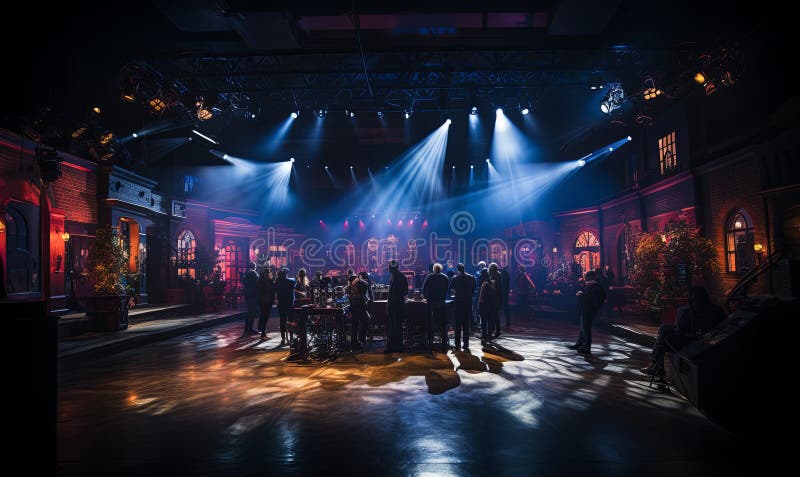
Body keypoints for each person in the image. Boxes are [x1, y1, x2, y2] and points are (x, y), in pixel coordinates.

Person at [640, 286, 726, 377]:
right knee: (664, 329)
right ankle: (655, 366)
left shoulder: (687, 311)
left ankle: (655, 365)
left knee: (665, 334)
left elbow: (679, 330)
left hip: (695, 340)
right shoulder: (717, 309)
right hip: (710, 338)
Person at [568, 270, 606, 355]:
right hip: (586, 309)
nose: (584, 278)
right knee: (583, 327)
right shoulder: (589, 285)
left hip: (588, 309)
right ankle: (579, 344)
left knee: (585, 328)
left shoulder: (594, 286)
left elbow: (591, 298)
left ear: (590, 277)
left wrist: (581, 295)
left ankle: (586, 347)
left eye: (586, 276)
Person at [422, 262, 450, 352]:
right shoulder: (445, 277)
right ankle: (444, 343)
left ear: (434, 269)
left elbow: (424, 287)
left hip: (431, 303)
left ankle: (430, 343)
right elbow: (447, 289)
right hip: (441, 302)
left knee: (431, 322)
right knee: (442, 323)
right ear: (441, 269)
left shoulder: (430, 276)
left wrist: (425, 297)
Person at [449, 263, 476, 351]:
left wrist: (455, 294)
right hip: (468, 302)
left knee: (457, 324)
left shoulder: (455, 278)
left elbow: (451, 290)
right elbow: (474, 290)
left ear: (458, 269)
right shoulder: (471, 277)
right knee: (466, 324)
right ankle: (466, 344)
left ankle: (457, 344)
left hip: (458, 303)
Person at [385, 260, 407, 353]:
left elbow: (400, 292)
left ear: (391, 267)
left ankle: (394, 347)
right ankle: (397, 346)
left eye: (389, 267)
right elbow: (405, 291)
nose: (388, 268)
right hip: (397, 305)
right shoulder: (400, 276)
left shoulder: (396, 277)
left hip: (395, 305)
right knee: (396, 326)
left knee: (394, 326)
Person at [349, 272, 370, 350]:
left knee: (355, 324)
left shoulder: (353, 282)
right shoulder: (360, 281)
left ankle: (354, 342)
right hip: (359, 304)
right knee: (366, 320)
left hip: (354, 304)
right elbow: (364, 290)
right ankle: (361, 340)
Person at [276, 268, 296, 346]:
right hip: (290, 304)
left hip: (281, 304)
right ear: (285, 275)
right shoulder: (291, 281)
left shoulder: (277, 282)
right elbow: (294, 281)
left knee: (282, 321)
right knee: (290, 321)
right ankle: (291, 337)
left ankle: (283, 338)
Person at [257, 268, 276, 339]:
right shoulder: (262, 281)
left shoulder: (266, 281)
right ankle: (262, 332)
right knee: (264, 316)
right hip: (264, 301)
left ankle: (262, 331)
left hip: (266, 301)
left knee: (265, 316)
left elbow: (272, 290)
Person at [243, 261, 260, 334]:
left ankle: (247, 328)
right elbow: (258, 283)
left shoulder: (247, 273)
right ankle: (250, 329)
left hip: (248, 294)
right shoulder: (253, 273)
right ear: (254, 266)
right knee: (252, 312)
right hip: (253, 294)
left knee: (249, 312)